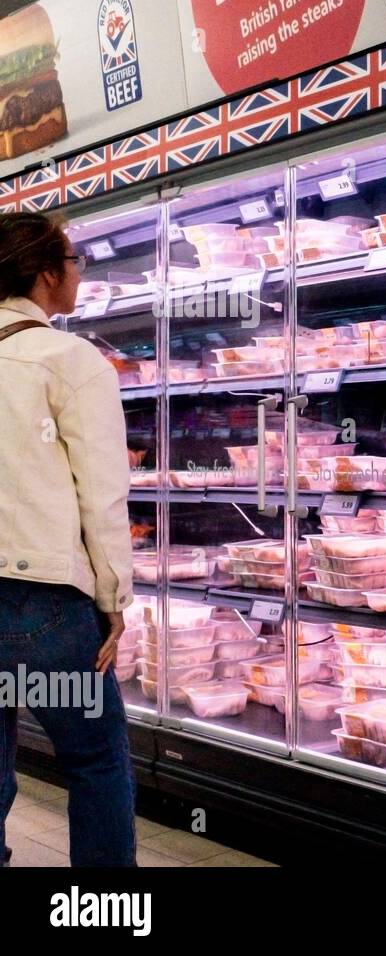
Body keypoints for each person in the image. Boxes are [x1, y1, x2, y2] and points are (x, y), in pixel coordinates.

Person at [0, 211, 136, 867]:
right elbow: (101, 495)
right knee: (93, 760)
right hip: (44, 605)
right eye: (75, 261)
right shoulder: (69, 359)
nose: (78, 274)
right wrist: (113, 598)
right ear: (47, 273)